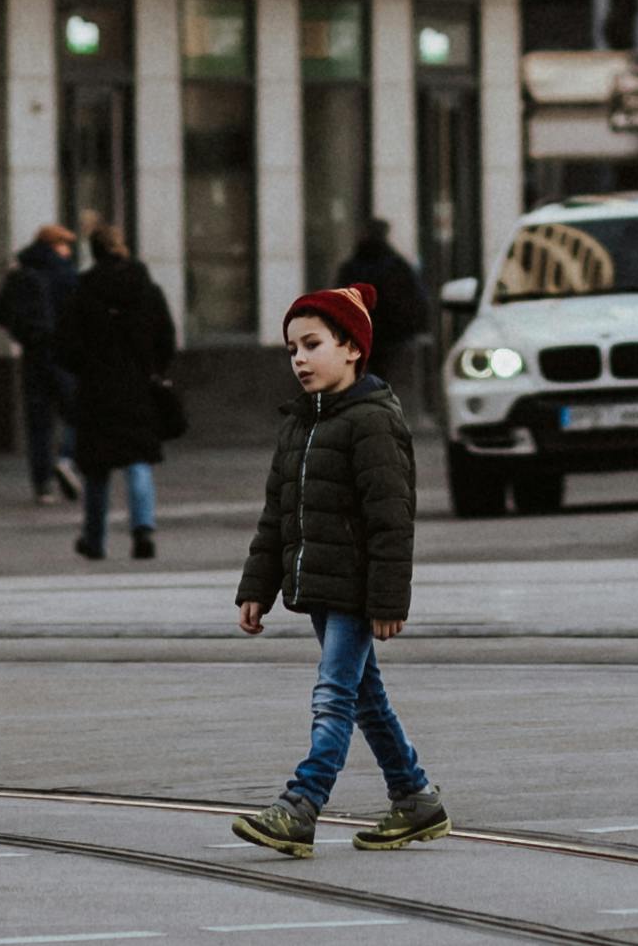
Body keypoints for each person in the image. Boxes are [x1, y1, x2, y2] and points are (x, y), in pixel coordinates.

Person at [231, 286, 446, 860]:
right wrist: (257, 588)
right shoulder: (298, 426)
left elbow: (391, 521)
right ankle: (415, 797)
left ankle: (301, 805)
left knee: (333, 696)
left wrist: (388, 600)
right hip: (319, 585)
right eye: (292, 349)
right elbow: (276, 516)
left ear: (352, 348)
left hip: (355, 589)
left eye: (313, 345)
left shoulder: (372, 423)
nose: (300, 359)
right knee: (364, 696)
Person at [54, 217, 177, 564]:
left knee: (96, 467)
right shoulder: (146, 289)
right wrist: (153, 369)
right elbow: (166, 339)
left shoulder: (82, 291)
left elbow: (64, 345)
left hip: (96, 389)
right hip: (138, 387)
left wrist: (85, 367)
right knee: (138, 461)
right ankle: (143, 530)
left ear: (93, 252)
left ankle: (94, 540)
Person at [0, 218, 80, 502]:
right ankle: (66, 459)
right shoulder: (65, 274)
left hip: (32, 354)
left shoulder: (20, 272)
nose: (68, 251)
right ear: (55, 245)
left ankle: (42, 486)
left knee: (38, 422)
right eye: (65, 245)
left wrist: (19, 329)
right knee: (80, 411)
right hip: (62, 353)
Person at [341, 217, 432, 402]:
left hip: (366, 333)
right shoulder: (396, 265)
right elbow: (414, 298)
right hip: (390, 336)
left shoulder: (354, 266)